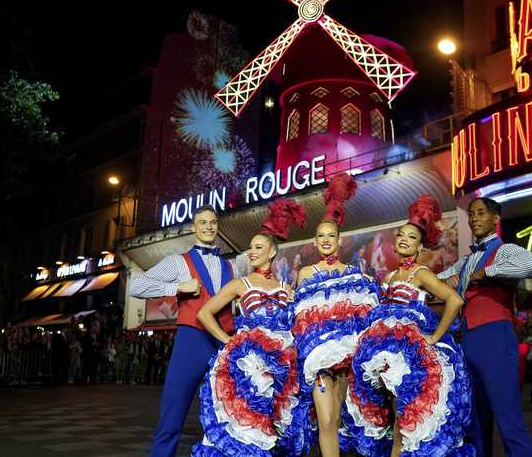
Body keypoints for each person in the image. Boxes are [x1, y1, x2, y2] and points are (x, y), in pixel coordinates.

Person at [344, 195, 472, 457]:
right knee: (391, 417)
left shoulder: (421, 273)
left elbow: (455, 300)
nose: (403, 239)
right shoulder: (389, 277)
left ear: (419, 246)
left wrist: (436, 336)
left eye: (411, 237)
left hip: (411, 354)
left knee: (406, 420)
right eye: (401, 235)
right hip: (382, 353)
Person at [192, 198, 310, 457]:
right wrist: (228, 340)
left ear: (272, 252)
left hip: (281, 364)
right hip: (248, 362)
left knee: (275, 420)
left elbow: (296, 324)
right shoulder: (240, 284)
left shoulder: (284, 287)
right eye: (250, 248)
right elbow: (204, 312)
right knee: (245, 420)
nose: (252, 252)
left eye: (258, 247)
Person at [128, 206, 240, 457]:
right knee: (172, 415)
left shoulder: (230, 266)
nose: (209, 227)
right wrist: (178, 287)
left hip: (223, 343)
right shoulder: (179, 262)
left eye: (212, 222)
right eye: (203, 222)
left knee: (229, 418)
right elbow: (136, 285)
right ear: (194, 227)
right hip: (191, 342)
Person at [439, 197, 532, 457]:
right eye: (471, 214)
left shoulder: (505, 250)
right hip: (467, 340)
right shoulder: (464, 261)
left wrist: (487, 272)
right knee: (476, 420)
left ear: (495, 219)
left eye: (481, 213)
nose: (474, 218)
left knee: (509, 419)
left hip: (496, 336)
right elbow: (435, 281)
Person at [292, 173, 380, 457]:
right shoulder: (306, 273)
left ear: (339, 241)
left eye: (331, 236)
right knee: (326, 419)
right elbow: (298, 313)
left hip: (345, 359)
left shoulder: (352, 272)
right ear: (315, 242)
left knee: (338, 419)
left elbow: (363, 314)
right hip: (317, 359)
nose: (326, 241)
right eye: (321, 237)